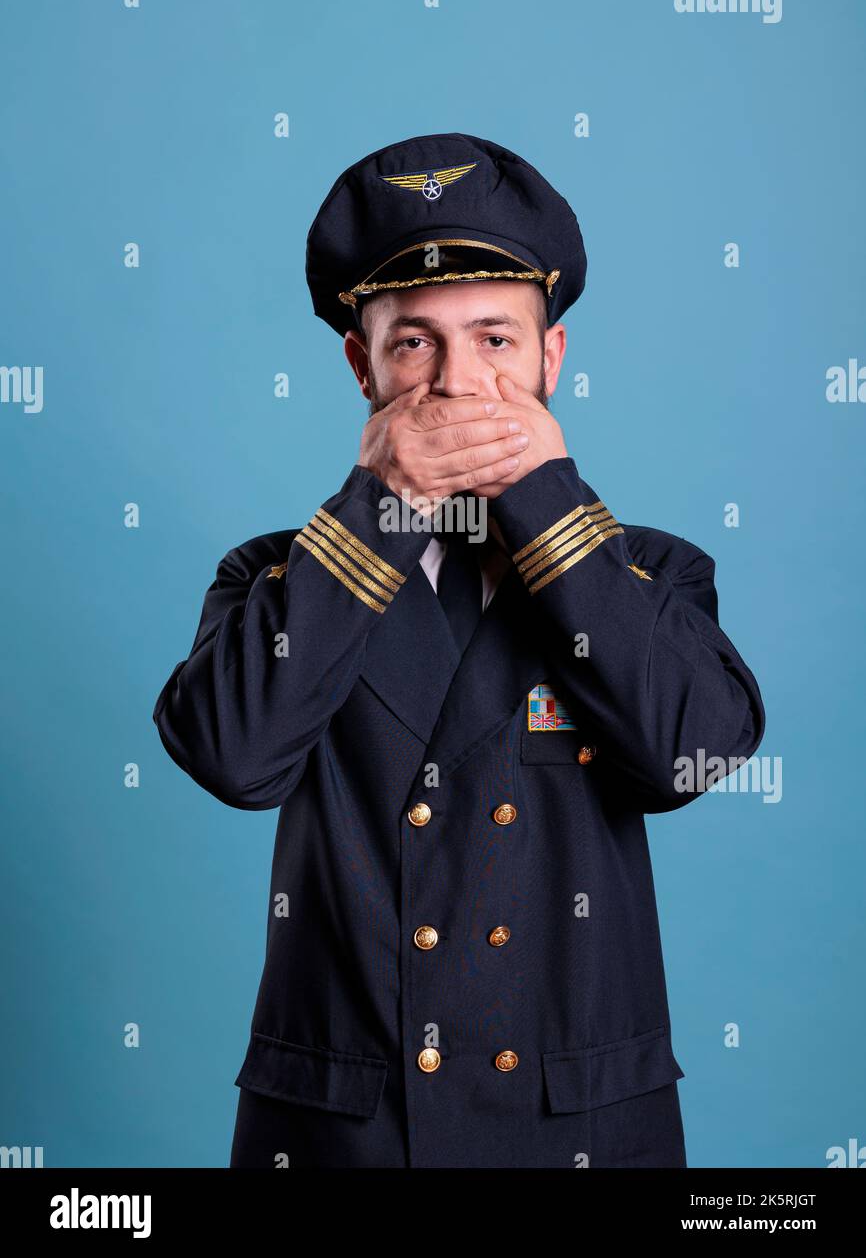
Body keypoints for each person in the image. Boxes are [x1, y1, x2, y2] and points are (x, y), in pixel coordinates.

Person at [152, 132, 765, 1168]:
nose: (456, 382)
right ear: (361, 366)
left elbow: (687, 756)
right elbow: (232, 757)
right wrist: (379, 507)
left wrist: (545, 500)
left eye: (493, 339)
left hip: (575, 1131)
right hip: (342, 1137)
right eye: (413, 344)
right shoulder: (271, 574)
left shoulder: (649, 575)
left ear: (549, 359)